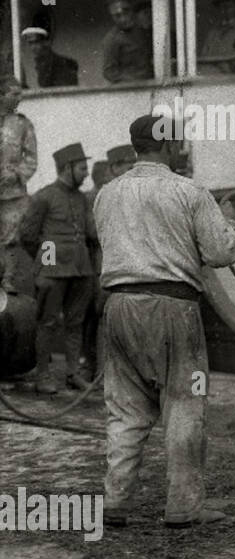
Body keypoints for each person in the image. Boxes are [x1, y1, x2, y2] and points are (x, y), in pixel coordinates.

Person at [94, 114, 235, 528]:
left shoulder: (106, 194)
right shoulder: (190, 192)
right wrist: (228, 222)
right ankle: (183, 506)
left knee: (124, 411)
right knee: (183, 405)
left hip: (119, 307)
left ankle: (114, 502)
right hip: (173, 309)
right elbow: (221, 252)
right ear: (169, 145)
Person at [19, 143, 96, 394]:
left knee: (76, 323)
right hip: (53, 272)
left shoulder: (82, 199)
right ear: (67, 168)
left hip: (81, 270)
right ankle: (44, 376)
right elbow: (28, 236)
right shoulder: (44, 196)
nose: (86, 173)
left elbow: (89, 233)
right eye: (82, 168)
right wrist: (47, 267)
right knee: (47, 323)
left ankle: (72, 374)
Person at [80, 145, 137, 381]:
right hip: (101, 266)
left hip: (126, 265)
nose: (132, 171)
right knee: (98, 317)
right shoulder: (99, 197)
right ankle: (96, 369)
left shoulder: (130, 193)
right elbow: (92, 232)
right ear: (113, 169)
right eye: (128, 166)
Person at [0, 76, 38, 296]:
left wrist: (16, 175)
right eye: (14, 93)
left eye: (20, 93)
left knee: (12, 240)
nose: (19, 97)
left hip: (13, 194)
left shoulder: (23, 124)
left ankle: (8, 280)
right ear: (1, 95)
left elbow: (32, 157)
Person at [101, 0, 152, 84]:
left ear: (132, 11)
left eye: (126, 12)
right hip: (133, 88)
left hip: (152, 83)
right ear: (112, 17)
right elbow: (109, 72)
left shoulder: (142, 31)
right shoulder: (111, 39)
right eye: (117, 15)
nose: (123, 18)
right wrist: (134, 78)